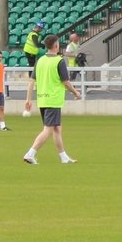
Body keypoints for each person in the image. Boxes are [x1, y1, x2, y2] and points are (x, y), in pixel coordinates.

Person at [22, 34, 80, 165]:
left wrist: (28, 99)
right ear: (56, 45)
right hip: (53, 100)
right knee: (48, 130)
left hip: (42, 99)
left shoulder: (40, 60)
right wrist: (76, 92)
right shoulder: (59, 61)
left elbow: (31, 81)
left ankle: (64, 157)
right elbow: (66, 82)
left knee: (57, 129)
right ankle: (30, 154)